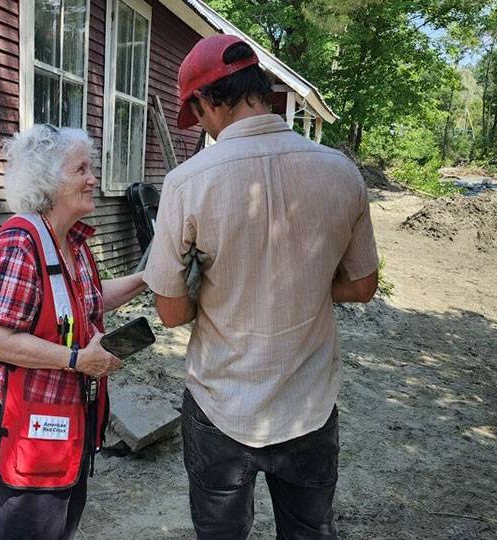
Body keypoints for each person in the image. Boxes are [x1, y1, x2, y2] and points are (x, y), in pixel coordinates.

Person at [144, 35, 380, 539]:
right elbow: (361, 286)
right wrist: (314, 284)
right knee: (309, 530)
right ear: (260, 90)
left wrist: (205, 290)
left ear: (207, 101)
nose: (203, 129)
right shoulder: (340, 172)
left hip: (220, 404)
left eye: (199, 116)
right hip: (308, 402)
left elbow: (169, 312)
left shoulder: (188, 183)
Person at [0, 124, 146, 539]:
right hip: (20, 425)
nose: (93, 178)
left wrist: (147, 278)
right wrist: (77, 359)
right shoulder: (19, 244)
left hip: (59, 422)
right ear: (49, 181)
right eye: (82, 169)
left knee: (57, 527)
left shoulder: (72, 243)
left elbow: (90, 299)